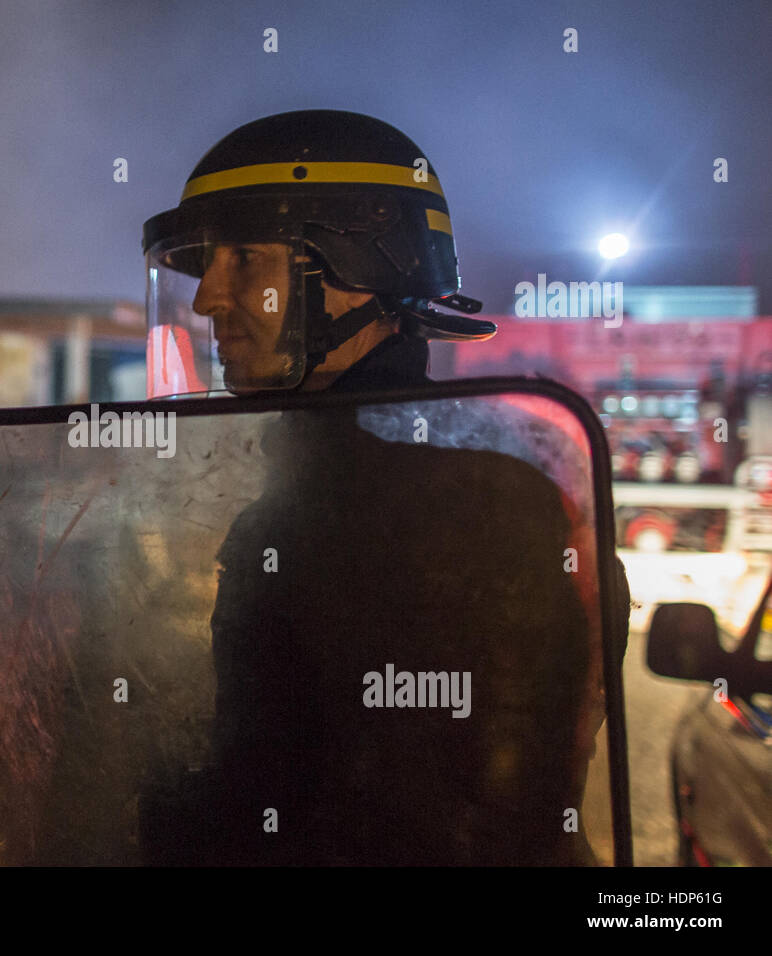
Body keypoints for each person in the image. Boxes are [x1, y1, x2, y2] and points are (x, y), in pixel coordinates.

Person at [138, 110, 631, 864]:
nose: (206, 297)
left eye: (242, 257)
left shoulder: (467, 510)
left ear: (355, 271)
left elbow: (463, 819)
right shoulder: (324, 488)